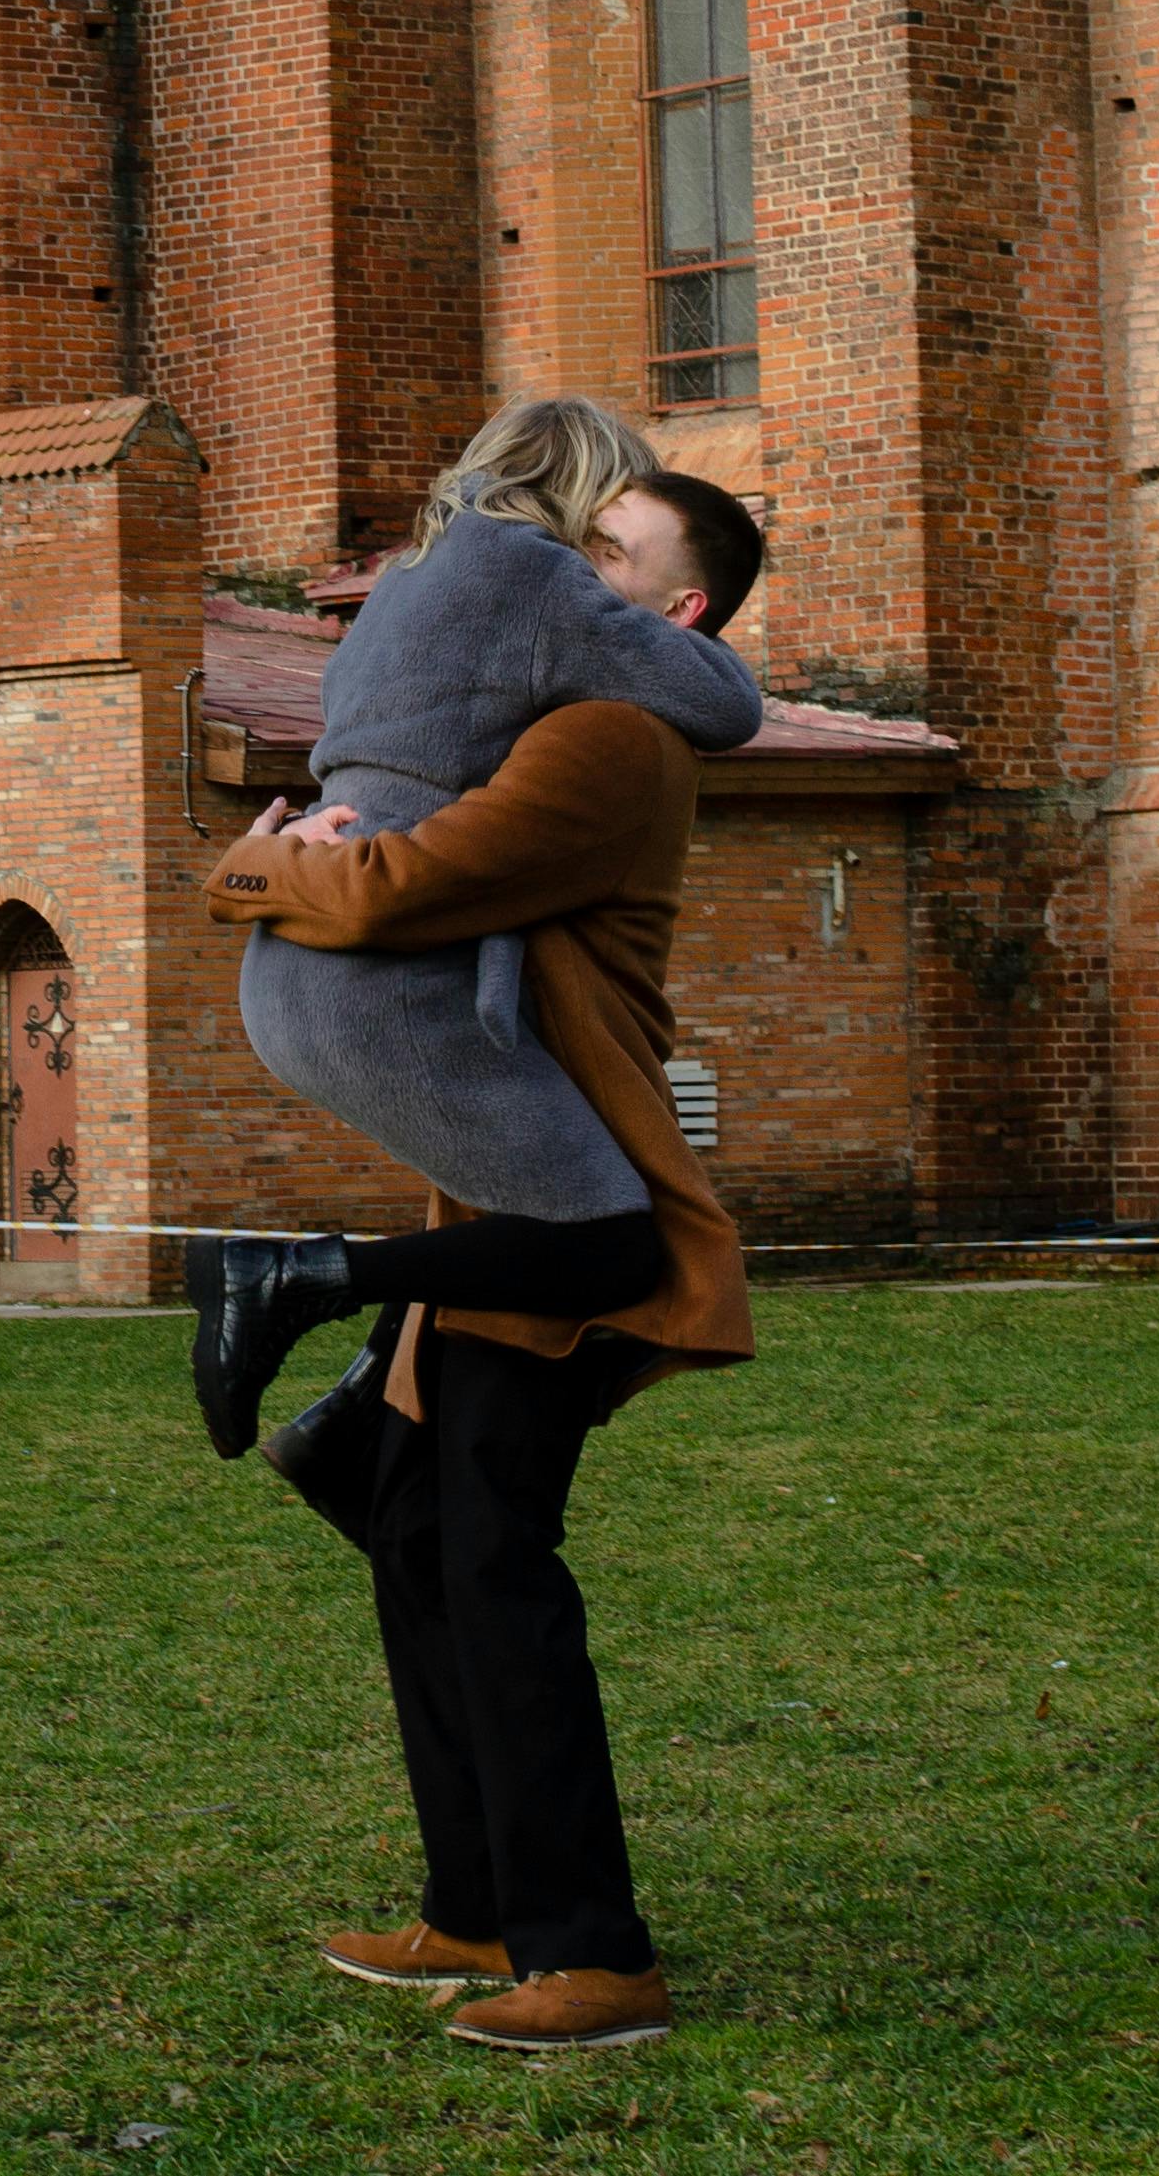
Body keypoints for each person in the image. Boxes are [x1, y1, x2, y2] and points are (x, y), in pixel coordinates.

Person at [192, 460, 767, 2055]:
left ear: (679, 608)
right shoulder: (559, 717)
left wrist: (253, 862)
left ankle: (593, 1953)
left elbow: (401, 887)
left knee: (497, 1568)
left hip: (564, 1199)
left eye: (610, 550)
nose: (573, 568)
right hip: (491, 1209)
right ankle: (477, 1904)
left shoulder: (609, 738)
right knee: (414, 1530)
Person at [196, 401, 761, 1480]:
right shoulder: (537, 577)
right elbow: (722, 701)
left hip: (297, 948)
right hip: (383, 954)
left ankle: (358, 1404)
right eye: (603, 520)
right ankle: (289, 1288)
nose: (600, 551)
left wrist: (252, 863)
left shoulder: (409, 575)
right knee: (601, 1233)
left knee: (514, 1202)